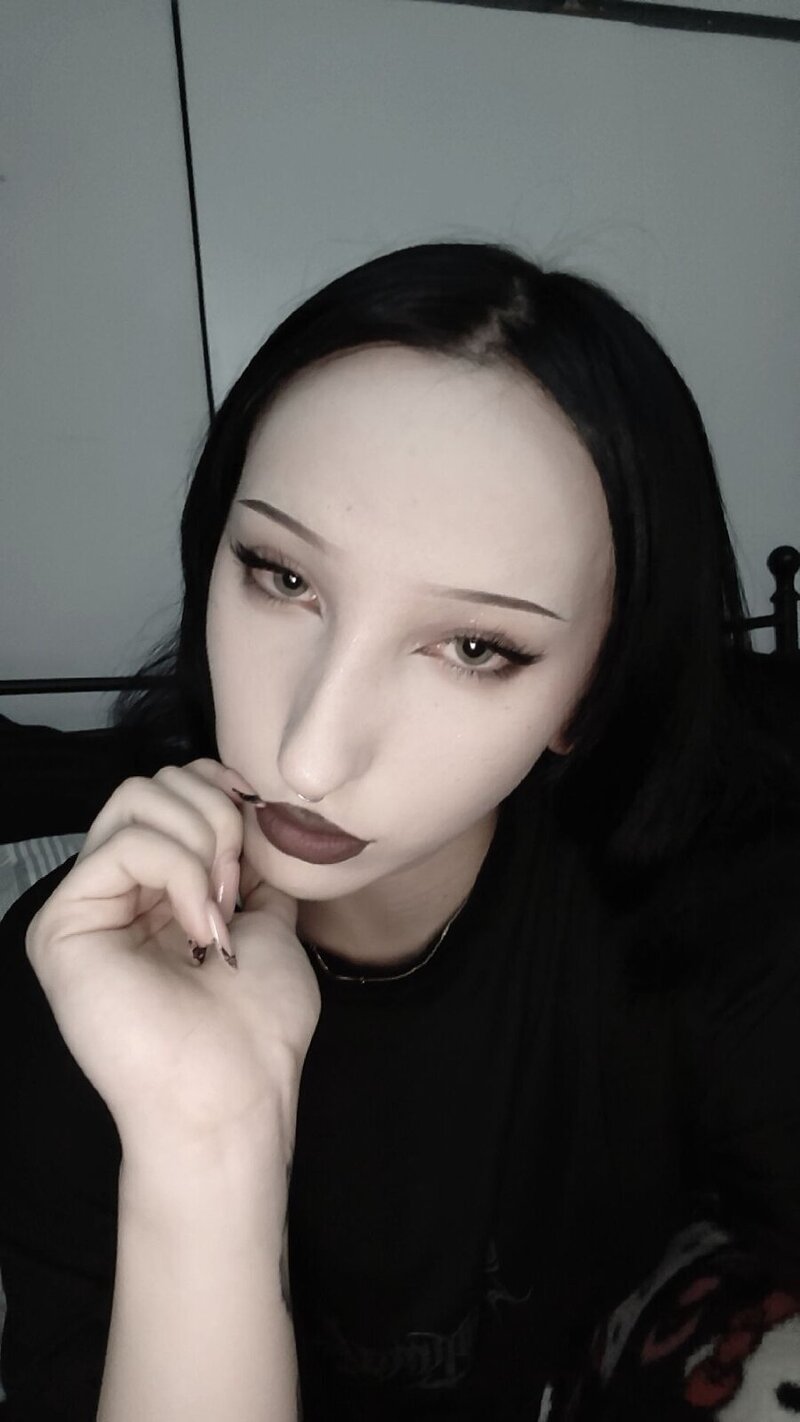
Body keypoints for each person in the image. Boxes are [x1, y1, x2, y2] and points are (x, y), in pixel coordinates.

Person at [1, 241, 799, 1421]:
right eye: (280, 577)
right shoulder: (91, 965)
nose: (310, 755)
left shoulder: (702, 908)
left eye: (473, 647)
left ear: (587, 694)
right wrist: (203, 1141)